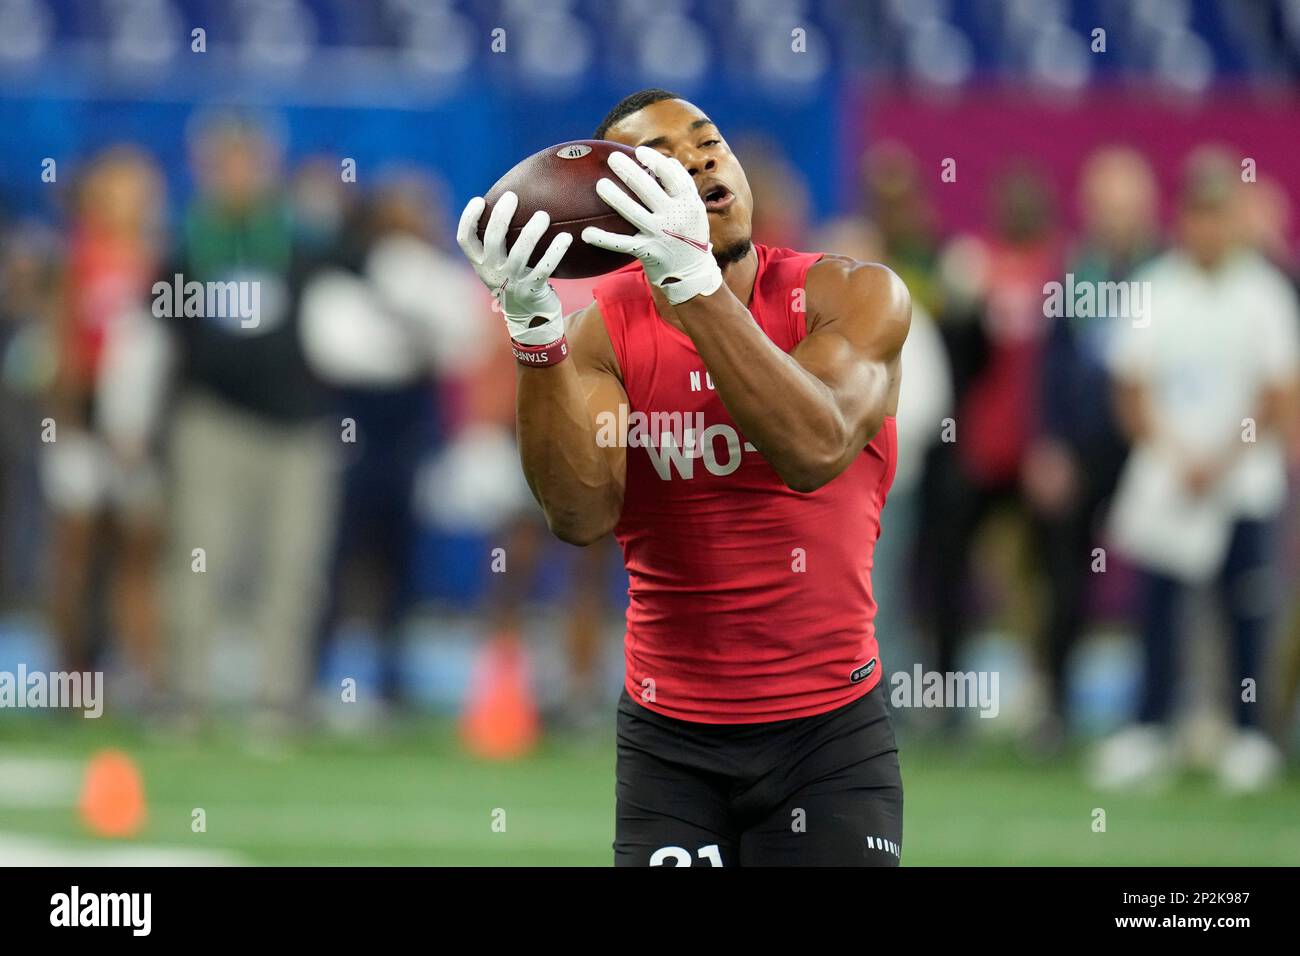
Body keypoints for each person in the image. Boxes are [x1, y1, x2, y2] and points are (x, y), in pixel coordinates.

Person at [457, 89, 911, 866]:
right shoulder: (601, 333)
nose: (699, 160)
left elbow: (814, 446)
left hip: (828, 734)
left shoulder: (852, 294)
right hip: (670, 742)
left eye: (708, 141)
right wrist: (533, 331)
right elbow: (579, 516)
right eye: (662, 160)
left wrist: (693, 288)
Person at [1095, 148, 1300, 793]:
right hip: (1171, 481)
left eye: (1220, 215)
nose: (1209, 229)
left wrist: (1221, 458)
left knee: (1248, 609)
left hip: (1243, 483)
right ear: (1183, 218)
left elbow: (1277, 391)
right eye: (1199, 215)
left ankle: (1247, 735)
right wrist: (1178, 454)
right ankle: (1150, 727)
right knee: (1158, 608)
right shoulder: (1156, 287)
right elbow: (1130, 387)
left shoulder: (1263, 293)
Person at [1021, 147, 1159, 748]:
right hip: (1080, 448)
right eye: (1106, 204)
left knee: (1159, 579)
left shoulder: (1165, 272)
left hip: (1151, 449)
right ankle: (1056, 709)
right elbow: (1053, 364)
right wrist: (1049, 443)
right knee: (1066, 580)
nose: (1115, 215)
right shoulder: (1079, 272)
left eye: (1126, 204)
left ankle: (1155, 714)